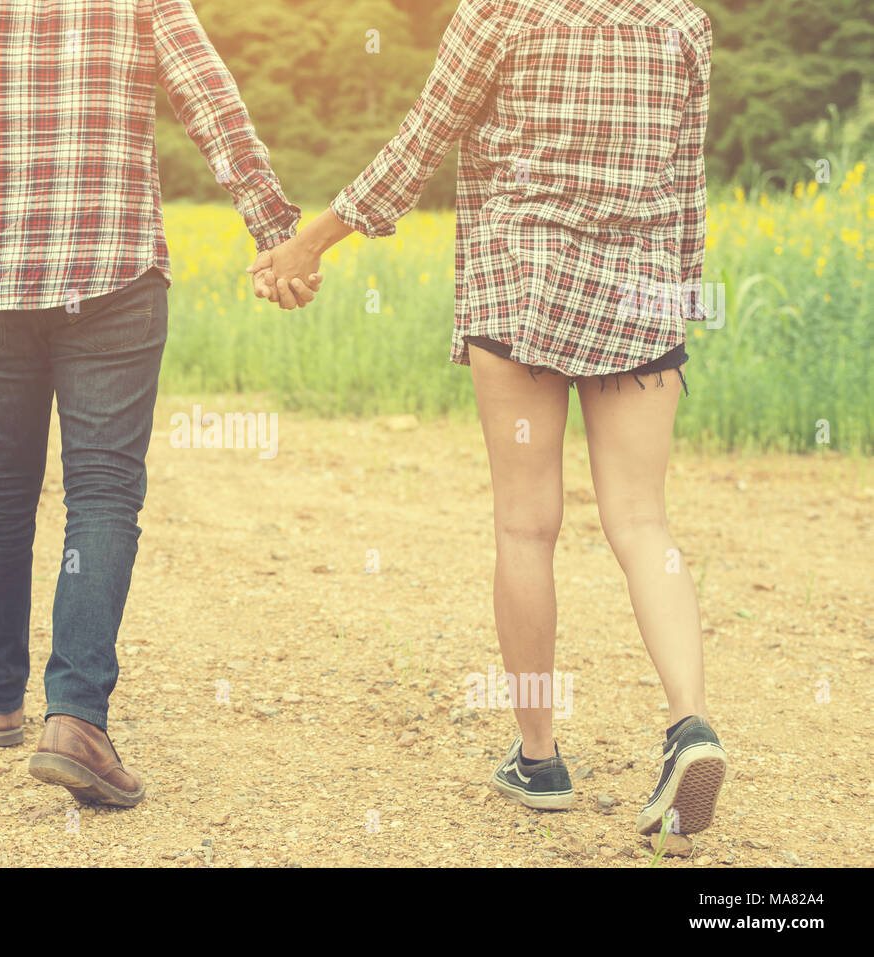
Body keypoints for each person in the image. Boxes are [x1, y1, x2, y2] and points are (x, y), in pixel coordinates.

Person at [252, 0, 727, 836]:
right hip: (644, 294)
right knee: (646, 522)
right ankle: (691, 725)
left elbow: (415, 148)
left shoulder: (500, 12)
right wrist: (676, 303)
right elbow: (686, 188)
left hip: (523, 284)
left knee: (526, 525)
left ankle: (539, 758)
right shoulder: (681, 19)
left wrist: (307, 244)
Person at [0, 0, 306, 807]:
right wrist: (272, 226)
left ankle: (0, 698)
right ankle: (75, 716)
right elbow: (208, 96)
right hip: (113, 268)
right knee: (101, 492)